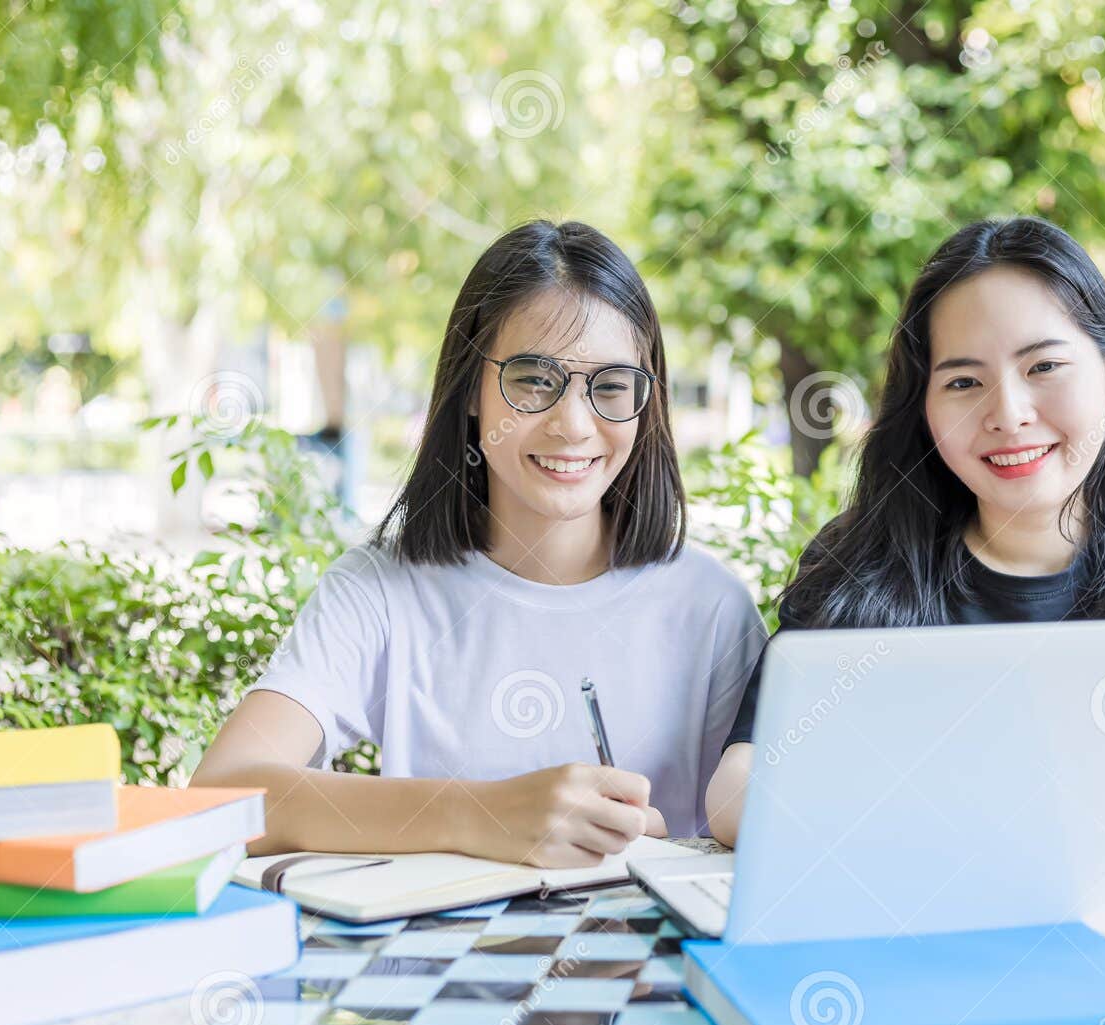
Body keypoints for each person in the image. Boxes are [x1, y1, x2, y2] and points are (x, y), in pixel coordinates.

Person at [705, 216, 1105, 846]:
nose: (1009, 415)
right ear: (925, 405)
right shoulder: (863, 566)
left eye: (1043, 366)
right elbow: (736, 792)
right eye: (964, 382)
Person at [195, 220, 765, 867]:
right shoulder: (381, 589)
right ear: (470, 388)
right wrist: (480, 813)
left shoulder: (711, 608)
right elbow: (220, 796)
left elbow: (768, 833)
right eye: (532, 379)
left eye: (609, 386)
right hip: (427, 963)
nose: (574, 424)